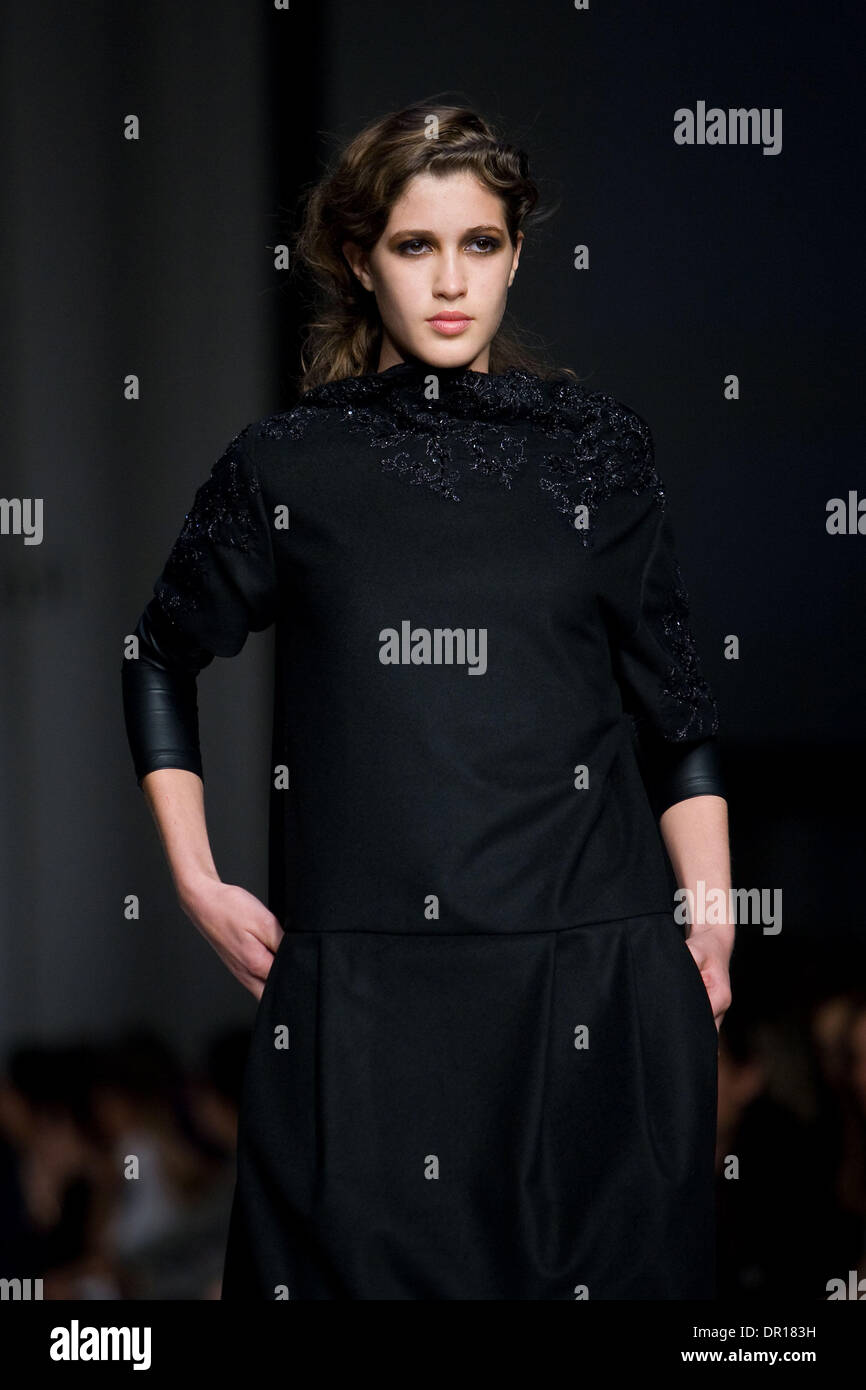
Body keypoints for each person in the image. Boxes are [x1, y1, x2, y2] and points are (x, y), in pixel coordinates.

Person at [121, 100, 733, 1300]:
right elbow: (154, 653)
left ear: (515, 252)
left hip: (590, 989)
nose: (451, 281)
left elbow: (677, 707)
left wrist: (709, 915)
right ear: (359, 259)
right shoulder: (287, 465)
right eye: (415, 245)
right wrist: (194, 882)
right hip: (364, 1015)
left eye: (479, 243)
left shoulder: (597, 450)